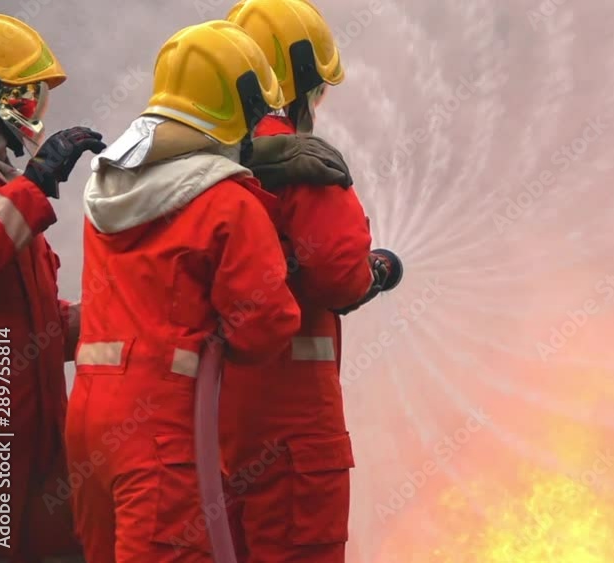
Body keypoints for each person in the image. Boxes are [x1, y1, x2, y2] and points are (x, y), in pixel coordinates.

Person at [65, 20, 302, 562]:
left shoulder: (104, 187)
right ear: (240, 106)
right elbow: (266, 324)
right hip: (160, 430)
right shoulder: (228, 202)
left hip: (87, 421)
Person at [219, 1, 402, 561]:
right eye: (318, 90)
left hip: (220, 420)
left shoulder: (202, 160)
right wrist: (376, 272)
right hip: (294, 430)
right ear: (298, 83)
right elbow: (339, 275)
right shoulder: (304, 161)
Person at [0, 12, 106, 563]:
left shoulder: (2, 187)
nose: (30, 112)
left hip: (31, 439)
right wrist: (33, 186)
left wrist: (115, 317)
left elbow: (32, 319)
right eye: (19, 97)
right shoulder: (13, 196)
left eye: (35, 98)